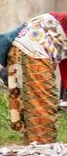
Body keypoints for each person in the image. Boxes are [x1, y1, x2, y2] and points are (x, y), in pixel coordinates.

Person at [6, 13, 67, 144]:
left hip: (34, 45)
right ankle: (41, 149)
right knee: (42, 102)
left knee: (38, 101)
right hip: (35, 46)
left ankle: (33, 145)